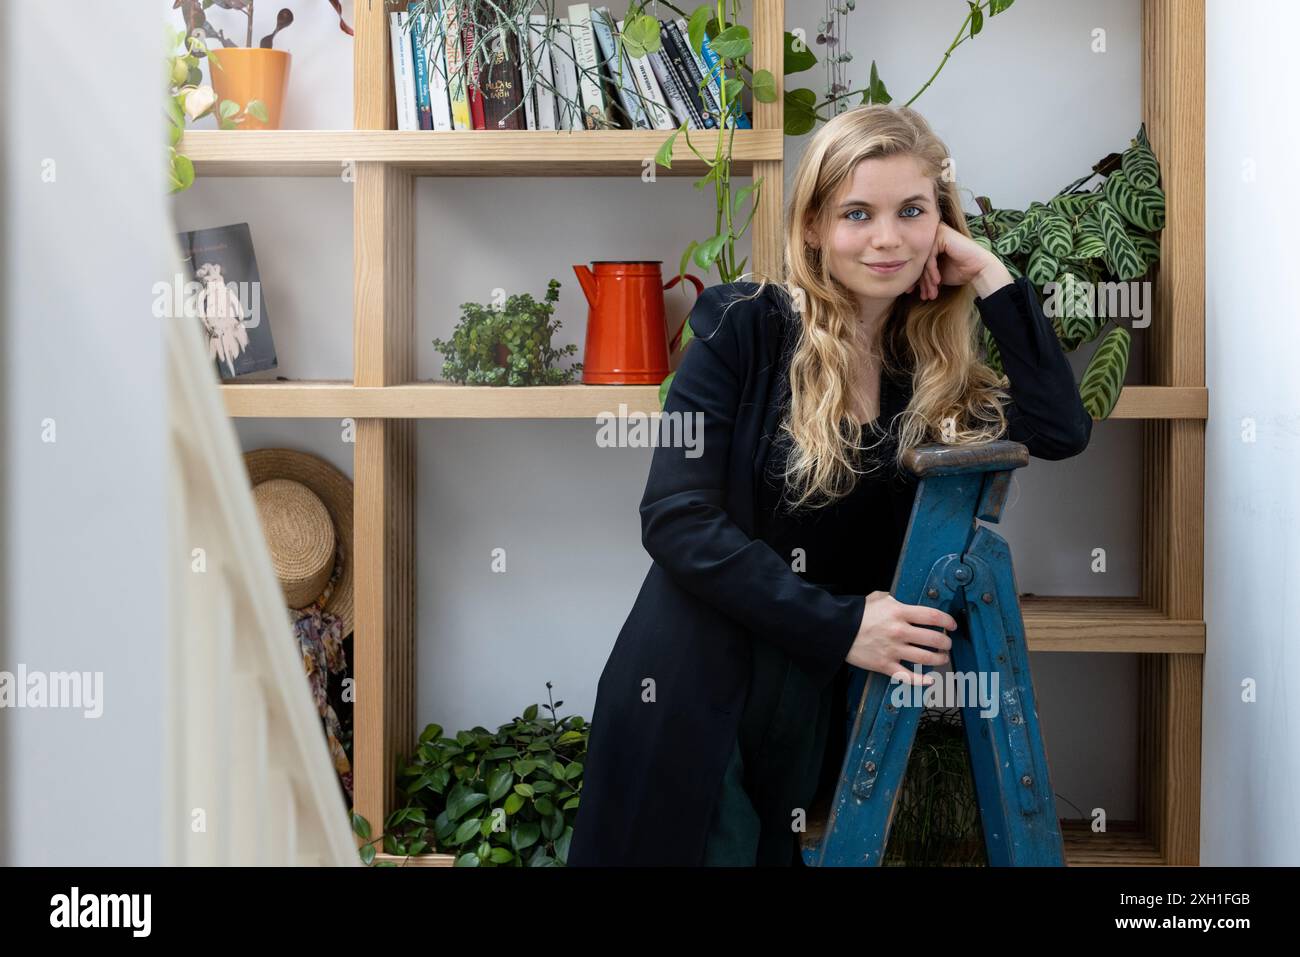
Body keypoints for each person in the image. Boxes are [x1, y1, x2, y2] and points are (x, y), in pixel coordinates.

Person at [567, 104, 1092, 867]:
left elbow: (1060, 429)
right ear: (812, 225)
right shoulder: (744, 325)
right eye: (857, 213)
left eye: (912, 211)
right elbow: (675, 516)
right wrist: (842, 624)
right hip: (693, 685)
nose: (888, 238)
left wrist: (987, 272)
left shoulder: (930, 371)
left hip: (807, 706)